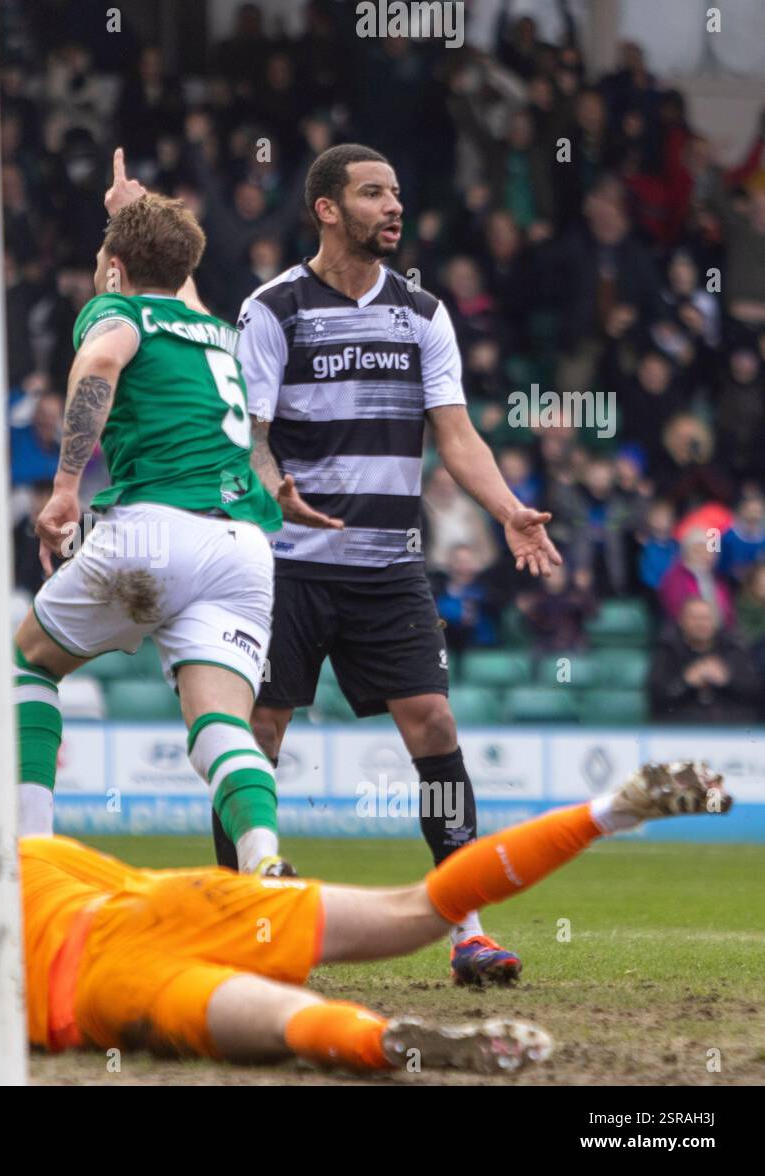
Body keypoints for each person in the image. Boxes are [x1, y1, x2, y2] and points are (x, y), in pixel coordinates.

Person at [0, 761, 729, 1073]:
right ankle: (605, 814)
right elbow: (112, 879)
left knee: (282, 1028)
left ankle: (380, 1045)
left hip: (99, 990)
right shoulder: (18, 853)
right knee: (419, 906)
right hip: (158, 904)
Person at [234, 142, 562, 984]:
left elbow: (455, 432)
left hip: (388, 567)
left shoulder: (421, 312)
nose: (394, 208)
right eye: (373, 193)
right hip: (288, 566)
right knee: (259, 734)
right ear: (327, 208)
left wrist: (507, 510)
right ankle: (244, 925)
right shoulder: (274, 310)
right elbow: (254, 438)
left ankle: (468, 930)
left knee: (436, 726)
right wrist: (276, 493)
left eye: (398, 194)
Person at [13, 150, 299, 877]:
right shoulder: (216, 333)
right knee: (219, 727)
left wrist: (66, 485)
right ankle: (265, 862)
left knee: (26, 666)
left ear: (112, 265)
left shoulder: (116, 310)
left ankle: (30, 857)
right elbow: (176, 281)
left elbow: (102, 361)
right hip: (241, 546)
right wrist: (133, 217)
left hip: (153, 530)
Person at [648, 598, 759, 724]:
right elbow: (657, 696)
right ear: (681, 621)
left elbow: (754, 691)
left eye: (706, 618)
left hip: (731, 731)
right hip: (680, 731)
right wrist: (686, 682)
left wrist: (727, 680)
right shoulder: (668, 651)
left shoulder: (732, 650)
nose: (701, 623)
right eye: (695, 618)